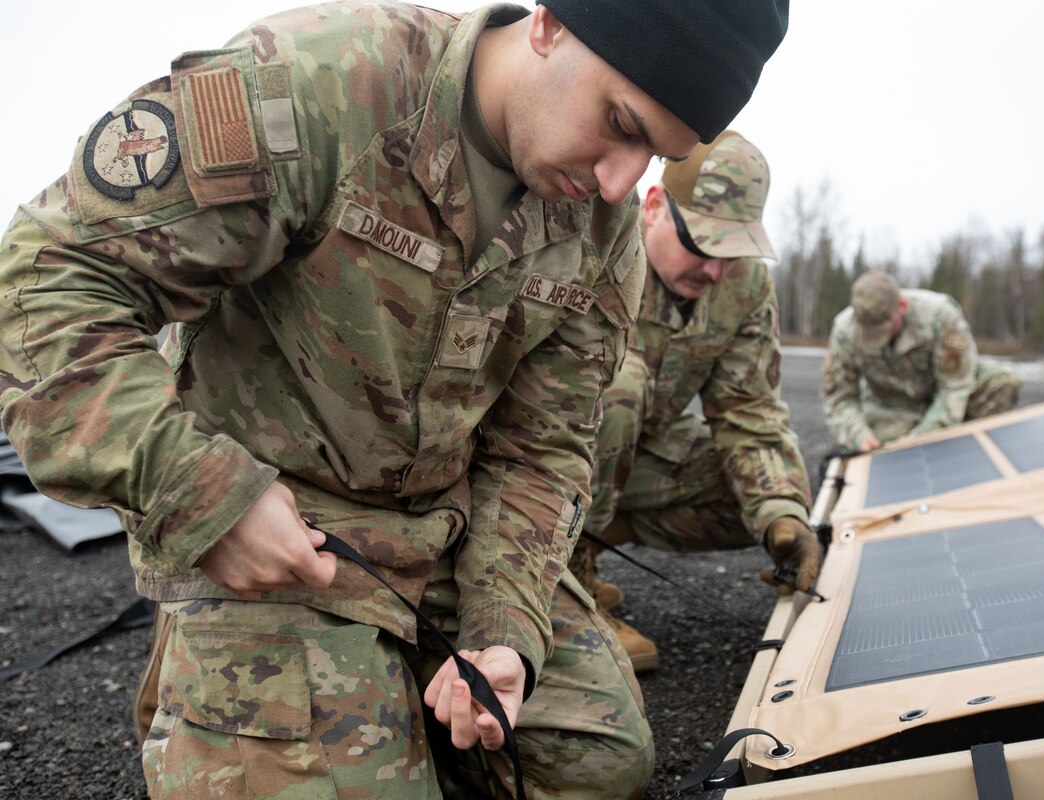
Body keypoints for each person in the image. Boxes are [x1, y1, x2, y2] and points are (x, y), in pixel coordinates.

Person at [0, 1, 789, 797]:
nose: (622, 181)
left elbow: (541, 447)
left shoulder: (604, 225)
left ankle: (369, 709)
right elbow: (41, 287)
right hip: (281, 535)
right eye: (620, 122)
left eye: (657, 153)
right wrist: (203, 497)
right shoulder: (315, 85)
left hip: (441, 532)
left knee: (599, 761)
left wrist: (505, 633)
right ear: (550, 25)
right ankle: (223, 680)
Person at [570, 131, 821, 673]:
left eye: (732, 253)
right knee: (619, 386)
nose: (715, 272)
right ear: (656, 207)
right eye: (705, 246)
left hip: (630, 464)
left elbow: (747, 413)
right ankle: (557, 591)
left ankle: (591, 538)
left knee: (757, 498)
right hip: (543, 459)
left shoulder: (744, 287)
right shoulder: (587, 246)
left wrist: (782, 515)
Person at [822, 270, 1022, 452]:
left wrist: (923, 436)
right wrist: (859, 436)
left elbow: (955, 386)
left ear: (901, 306)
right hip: (891, 408)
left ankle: (967, 449)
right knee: (882, 447)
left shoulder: (939, 316)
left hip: (942, 396)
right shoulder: (844, 332)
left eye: (883, 327)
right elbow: (840, 397)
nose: (878, 338)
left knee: (1001, 384)